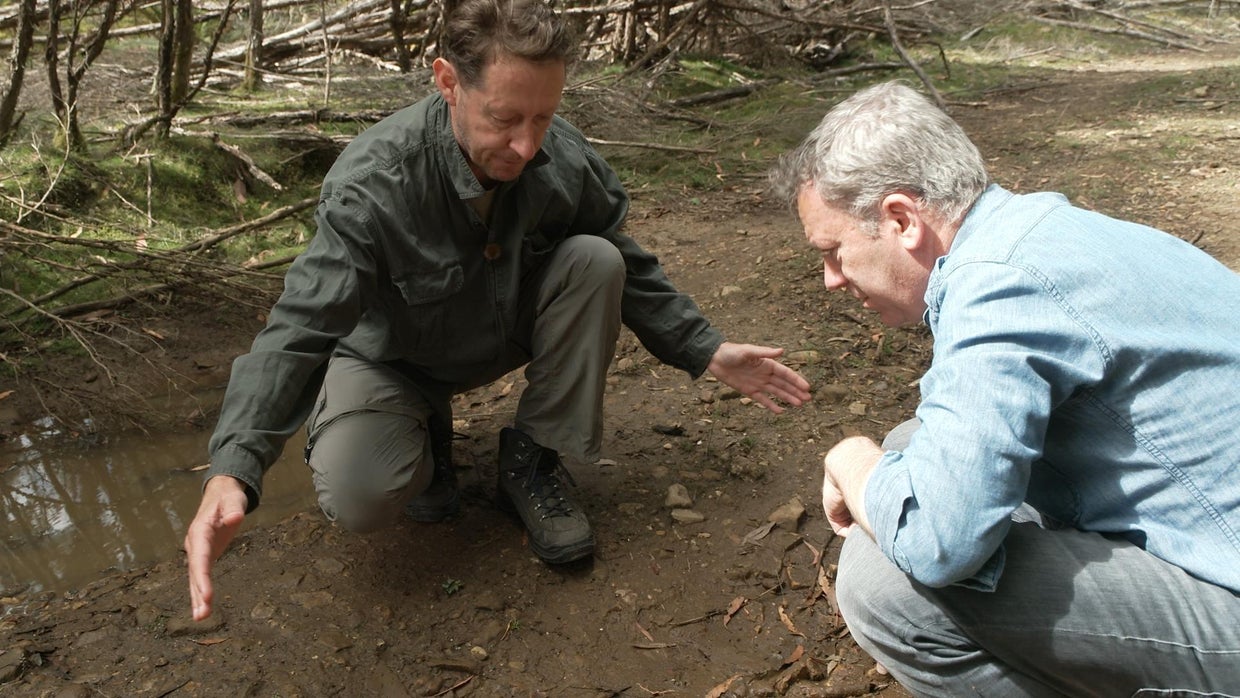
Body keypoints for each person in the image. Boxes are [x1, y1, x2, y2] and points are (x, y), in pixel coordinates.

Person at [184, 0, 811, 622]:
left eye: (543, 117)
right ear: (448, 83)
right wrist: (233, 470)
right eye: (505, 118)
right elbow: (298, 327)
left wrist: (703, 347)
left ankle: (533, 459)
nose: (526, 145)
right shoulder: (373, 184)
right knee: (361, 497)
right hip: (392, 360)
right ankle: (422, 439)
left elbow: (623, 258)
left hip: (498, 329)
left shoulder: (560, 156)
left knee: (596, 260)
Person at [770, 80, 1240, 696]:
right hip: (1204, 522)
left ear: (901, 219)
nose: (831, 279)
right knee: (911, 445)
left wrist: (849, 458)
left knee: (888, 584)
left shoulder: (1001, 286)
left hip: (1225, 580)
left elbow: (938, 543)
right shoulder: (1040, 231)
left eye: (833, 251)